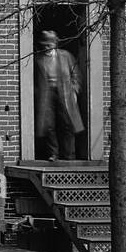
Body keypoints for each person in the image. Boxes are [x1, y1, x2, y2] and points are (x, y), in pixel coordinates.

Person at [34, 30, 83, 160]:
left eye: (48, 44)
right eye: (44, 44)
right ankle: (53, 153)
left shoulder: (65, 56)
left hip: (65, 92)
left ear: (55, 44)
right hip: (46, 94)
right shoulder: (38, 59)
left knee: (67, 123)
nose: (46, 47)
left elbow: (76, 74)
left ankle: (69, 155)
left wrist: (75, 90)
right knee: (48, 124)